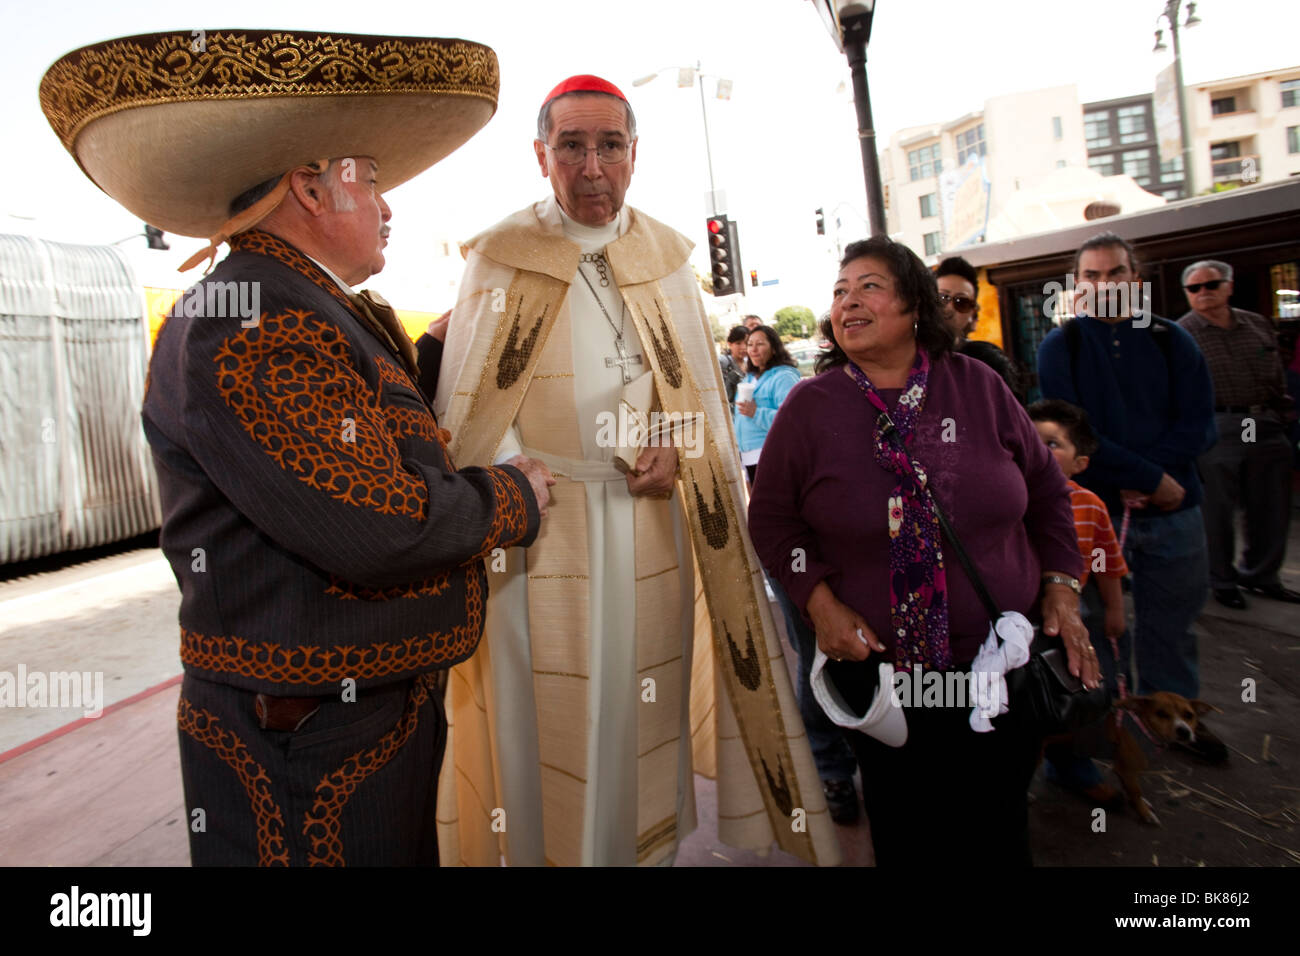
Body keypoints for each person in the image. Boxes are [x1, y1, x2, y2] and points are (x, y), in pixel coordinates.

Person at [39, 29, 555, 866]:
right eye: (373, 182)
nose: (389, 206)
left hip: (335, 719)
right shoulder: (255, 321)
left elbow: (355, 429)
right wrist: (512, 497)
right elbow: (371, 522)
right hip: (314, 736)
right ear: (311, 189)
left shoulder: (293, 307)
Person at [431, 75, 836, 867]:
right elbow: (471, 405)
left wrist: (676, 445)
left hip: (649, 524)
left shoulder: (666, 257)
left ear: (634, 154)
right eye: (572, 146)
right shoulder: (498, 256)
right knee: (549, 711)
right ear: (539, 154)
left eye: (609, 146)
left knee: (636, 710)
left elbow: (698, 405)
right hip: (539, 535)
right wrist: (520, 474)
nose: (592, 167)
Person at [749, 236, 1092, 866]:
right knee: (909, 830)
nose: (848, 300)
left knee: (998, 830)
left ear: (914, 306)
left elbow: (1047, 490)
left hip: (998, 665)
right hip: (889, 682)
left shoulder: (979, 388)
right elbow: (772, 522)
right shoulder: (810, 407)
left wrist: (1063, 586)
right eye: (839, 291)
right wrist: (817, 602)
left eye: (870, 286)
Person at [1037, 232, 1217, 718]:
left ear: (1135, 278)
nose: (1104, 282)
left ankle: (1171, 722)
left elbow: (1199, 420)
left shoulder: (1170, 338)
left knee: (1171, 629)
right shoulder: (1062, 345)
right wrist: (1147, 475)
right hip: (1094, 518)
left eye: (1115, 271)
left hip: (1173, 511)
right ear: (1077, 284)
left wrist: (1158, 479)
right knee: (1097, 631)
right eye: (1092, 274)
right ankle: (1108, 732)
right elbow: (1072, 431)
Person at [1176, 260, 1299, 608]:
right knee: (1217, 507)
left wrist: (1280, 412)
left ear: (1228, 286)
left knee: (1270, 503)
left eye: (1211, 285)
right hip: (1219, 423)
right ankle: (1221, 579)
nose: (1204, 293)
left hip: (1261, 419)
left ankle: (1262, 574)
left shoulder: (1257, 324)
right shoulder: (1182, 334)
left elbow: (1275, 372)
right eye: (1194, 288)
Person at [1028, 399, 1130, 802]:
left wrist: (1115, 612)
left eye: (1052, 444)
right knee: (1021, 703)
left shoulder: (1090, 505)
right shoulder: (1009, 501)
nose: (1038, 452)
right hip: (1019, 619)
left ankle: (1072, 767)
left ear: (1080, 463)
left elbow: (1106, 566)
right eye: (1029, 442)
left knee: (1076, 697)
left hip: (1073, 619)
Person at [934, 256, 1022, 403]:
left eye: (961, 302)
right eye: (942, 298)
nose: (949, 308)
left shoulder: (987, 362)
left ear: (973, 314)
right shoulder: (906, 356)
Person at [734, 325, 801, 485]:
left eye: (760, 344)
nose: (753, 349)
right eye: (750, 344)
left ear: (774, 348)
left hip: (773, 455)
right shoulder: (749, 379)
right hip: (749, 457)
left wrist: (756, 412)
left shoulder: (783, 377)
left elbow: (793, 420)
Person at [719, 324, 748, 409]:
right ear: (730, 344)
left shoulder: (752, 365)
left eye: (746, 343)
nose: (743, 347)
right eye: (738, 343)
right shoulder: (722, 362)